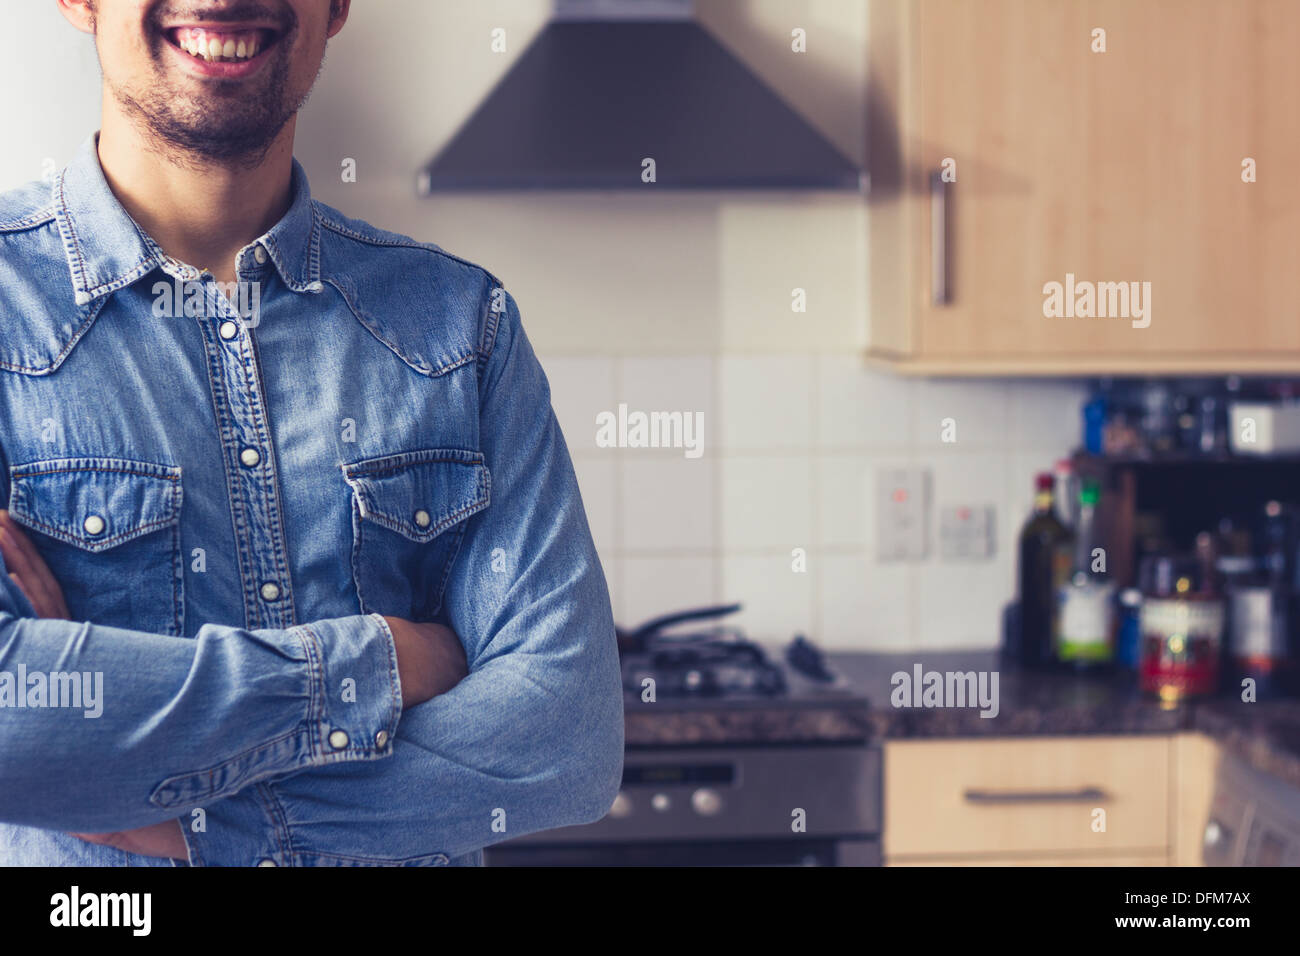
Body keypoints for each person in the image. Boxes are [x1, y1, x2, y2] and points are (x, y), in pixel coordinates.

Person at [0, 0, 623, 866]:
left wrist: (200, 825)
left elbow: (567, 738)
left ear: (334, 6)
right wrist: (368, 667)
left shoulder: (460, 328)